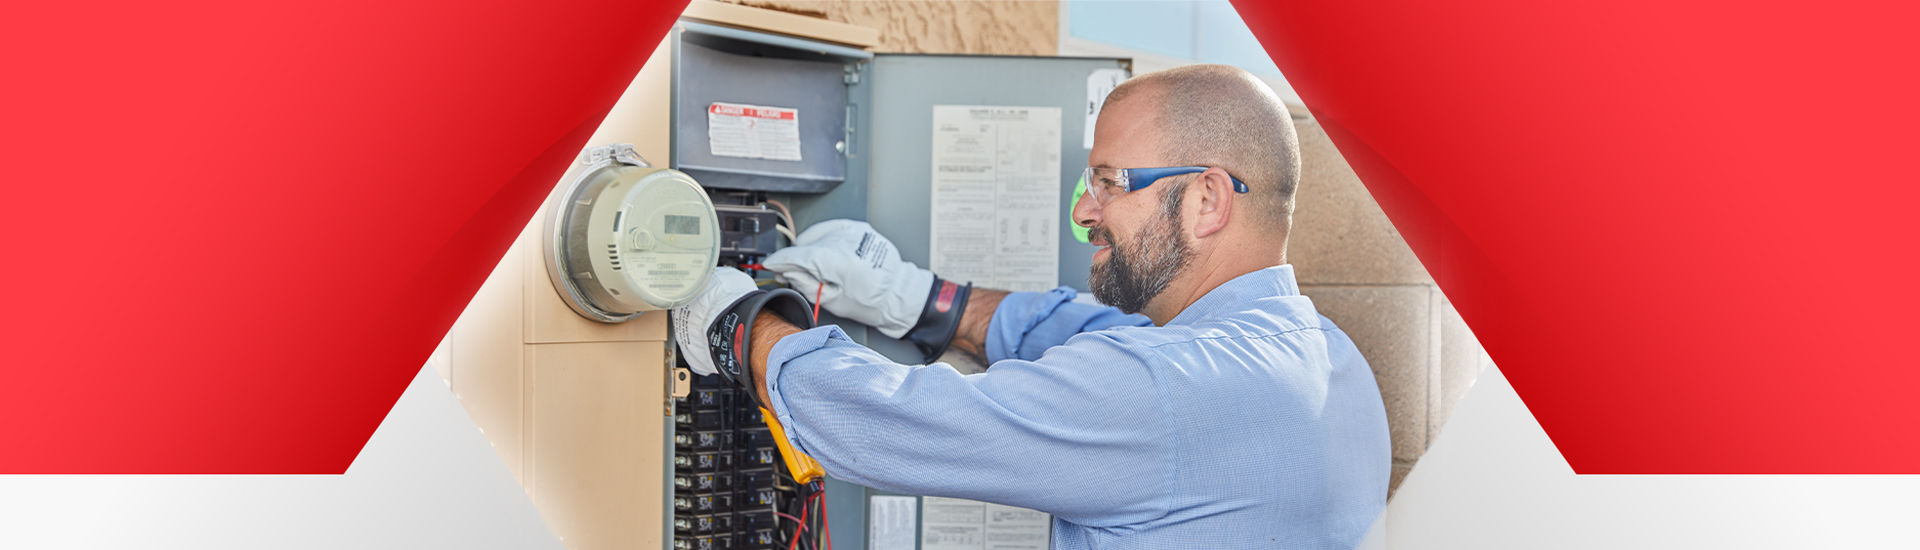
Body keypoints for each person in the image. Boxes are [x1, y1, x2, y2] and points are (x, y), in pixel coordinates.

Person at [672, 64, 1389, 549]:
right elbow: (1095, 332)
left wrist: (744, 322)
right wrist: (926, 301)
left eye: (1110, 181)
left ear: (1205, 199)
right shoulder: (1329, 359)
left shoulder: (1163, 393)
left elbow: (894, 422)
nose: (1084, 210)